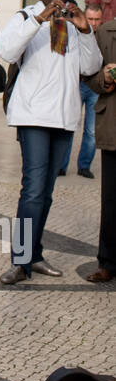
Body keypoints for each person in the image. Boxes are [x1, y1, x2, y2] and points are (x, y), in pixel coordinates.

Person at [0, 0, 103, 286]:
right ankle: (20, 261)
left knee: (45, 193)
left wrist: (85, 30)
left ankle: (35, 255)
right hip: (32, 115)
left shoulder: (74, 24)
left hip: (64, 115)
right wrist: (40, 19)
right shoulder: (25, 17)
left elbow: (91, 66)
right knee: (32, 189)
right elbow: (6, 50)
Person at [81, 17, 116, 283]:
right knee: (111, 198)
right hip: (113, 125)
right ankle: (107, 262)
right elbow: (89, 76)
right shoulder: (105, 32)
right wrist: (104, 78)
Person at [60, 3, 103, 178]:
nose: (93, 23)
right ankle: (61, 165)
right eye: (90, 18)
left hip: (95, 86)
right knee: (69, 125)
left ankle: (84, 165)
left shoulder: (105, 35)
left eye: (97, 19)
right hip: (77, 83)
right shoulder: (75, 31)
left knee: (91, 130)